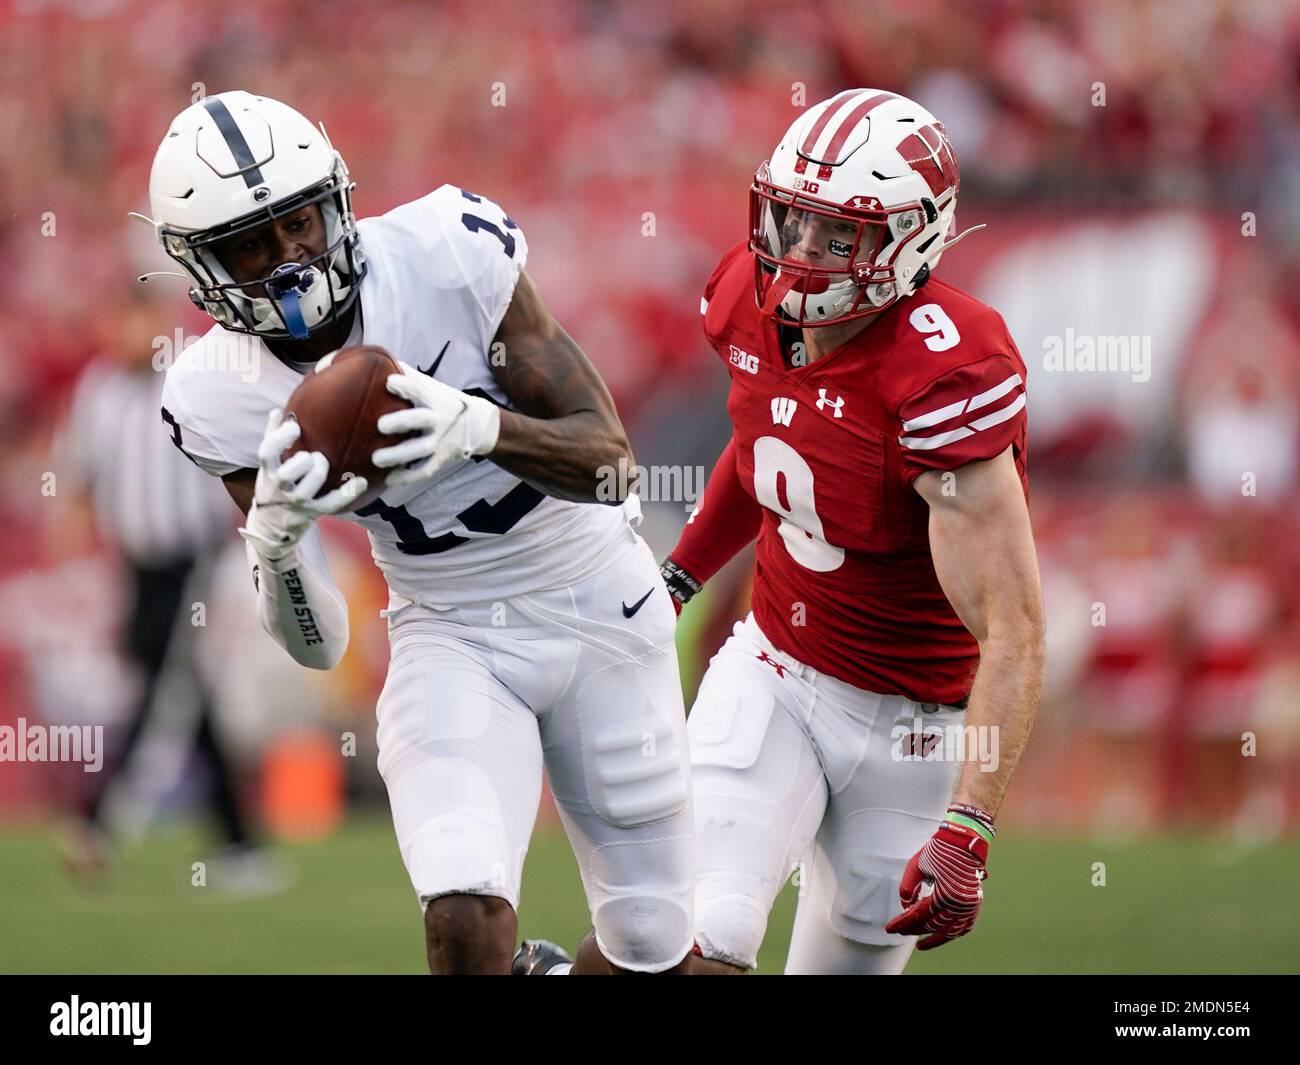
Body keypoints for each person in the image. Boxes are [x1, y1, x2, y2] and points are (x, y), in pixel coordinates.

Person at [149, 91, 693, 974]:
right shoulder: (212, 393)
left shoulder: (448, 252)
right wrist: (276, 544)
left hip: (598, 595)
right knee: (463, 910)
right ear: (205, 267)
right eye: (252, 243)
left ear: (338, 200)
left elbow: (612, 464)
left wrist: (481, 426)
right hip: (451, 626)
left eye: (301, 223)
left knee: (657, 950)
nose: (290, 258)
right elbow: (319, 649)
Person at [660, 88, 1045, 974]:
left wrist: (971, 824)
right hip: (775, 676)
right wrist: (678, 576)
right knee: (701, 941)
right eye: (792, 221)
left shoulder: (946, 372)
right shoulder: (745, 300)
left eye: (838, 235)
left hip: (913, 726)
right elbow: (762, 444)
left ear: (912, 240)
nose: (798, 255)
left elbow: (1016, 630)